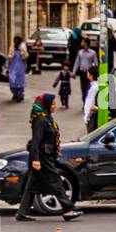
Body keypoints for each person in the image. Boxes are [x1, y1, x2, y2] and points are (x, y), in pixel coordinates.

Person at [15, 94, 83, 223]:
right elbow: (36, 141)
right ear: (46, 104)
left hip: (44, 156)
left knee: (32, 185)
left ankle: (21, 213)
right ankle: (68, 210)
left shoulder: (47, 118)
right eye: (52, 104)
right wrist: (35, 160)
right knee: (56, 181)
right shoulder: (40, 120)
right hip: (42, 158)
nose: (55, 106)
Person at [72, 37, 97, 107]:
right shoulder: (80, 52)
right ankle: (84, 101)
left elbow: (95, 63)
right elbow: (77, 62)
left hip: (89, 73)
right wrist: (73, 72)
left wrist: (93, 70)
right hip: (82, 72)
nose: (81, 43)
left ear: (86, 43)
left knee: (88, 88)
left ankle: (88, 102)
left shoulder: (92, 53)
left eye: (83, 42)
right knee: (83, 88)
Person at [7, 35, 28, 102]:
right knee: (12, 81)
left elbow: (26, 56)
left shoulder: (22, 47)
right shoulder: (12, 47)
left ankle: (19, 95)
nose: (16, 42)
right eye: (15, 40)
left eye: (17, 40)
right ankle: (16, 94)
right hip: (12, 66)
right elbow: (9, 57)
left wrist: (22, 53)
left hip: (20, 67)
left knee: (20, 82)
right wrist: (8, 66)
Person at [82, 67, 102, 134]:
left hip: (91, 117)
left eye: (88, 74)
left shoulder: (94, 88)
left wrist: (86, 118)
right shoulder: (97, 85)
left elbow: (90, 104)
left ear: (91, 76)